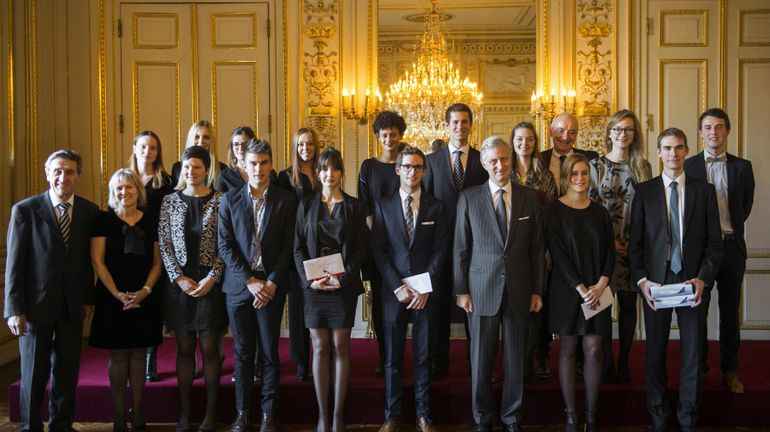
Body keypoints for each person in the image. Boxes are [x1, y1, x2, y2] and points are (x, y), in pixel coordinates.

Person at [628, 128, 723, 432]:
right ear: (658, 152)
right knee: (654, 354)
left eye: (679, 147)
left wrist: (703, 279)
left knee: (693, 356)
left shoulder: (704, 191)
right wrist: (642, 282)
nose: (673, 154)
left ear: (686, 151)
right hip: (656, 284)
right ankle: (658, 417)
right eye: (667, 148)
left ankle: (687, 419)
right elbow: (635, 245)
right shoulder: (644, 192)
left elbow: (715, 244)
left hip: (692, 282)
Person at [4, 149, 100, 432]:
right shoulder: (25, 211)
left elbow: (86, 262)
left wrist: (87, 299)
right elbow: (14, 264)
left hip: (72, 306)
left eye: (69, 171)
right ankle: (31, 426)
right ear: (47, 174)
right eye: (57, 171)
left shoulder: (89, 211)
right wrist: (14, 309)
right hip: (35, 306)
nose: (63, 177)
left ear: (78, 176)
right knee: (34, 373)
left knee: (67, 372)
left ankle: (61, 425)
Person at [453, 136, 544, 432]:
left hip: (520, 289)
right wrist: (461, 290)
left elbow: (537, 250)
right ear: (484, 164)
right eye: (493, 160)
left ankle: (512, 418)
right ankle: (482, 418)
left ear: (510, 159)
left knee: (516, 362)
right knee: (480, 361)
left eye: (504, 159)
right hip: (481, 290)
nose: (500, 165)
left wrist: (537, 290)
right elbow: (461, 248)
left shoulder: (529, 197)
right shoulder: (469, 197)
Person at [218, 140, 297, 432]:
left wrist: (272, 282)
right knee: (242, 353)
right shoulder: (229, 199)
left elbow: (289, 245)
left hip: (271, 286)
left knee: (269, 352)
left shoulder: (285, 200)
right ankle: (242, 414)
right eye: (253, 163)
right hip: (239, 287)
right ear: (244, 164)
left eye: (264, 163)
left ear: (271, 164)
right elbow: (225, 246)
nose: (258, 168)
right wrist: (249, 280)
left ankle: (268, 415)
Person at [371, 146, 449, 432]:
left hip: (424, 294)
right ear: (398, 169)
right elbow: (379, 250)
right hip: (395, 294)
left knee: (423, 357)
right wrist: (396, 287)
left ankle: (423, 416)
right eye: (407, 166)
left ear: (424, 171)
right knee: (392, 358)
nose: (412, 172)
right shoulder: (383, 205)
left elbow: (440, 250)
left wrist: (425, 288)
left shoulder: (437, 207)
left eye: (417, 167)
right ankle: (391, 416)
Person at [294, 147, 367, 432]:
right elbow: (298, 248)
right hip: (314, 287)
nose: (329, 174)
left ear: (341, 172)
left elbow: (360, 249)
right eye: (324, 168)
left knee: (339, 347)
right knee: (320, 347)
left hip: (342, 287)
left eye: (334, 168)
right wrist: (309, 280)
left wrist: (344, 279)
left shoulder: (355, 206)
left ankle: (337, 415)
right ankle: (323, 415)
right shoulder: (306, 205)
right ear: (318, 172)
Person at [684, 108, 755, 393]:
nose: (714, 132)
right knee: (697, 312)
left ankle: (730, 370)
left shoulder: (743, 167)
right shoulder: (688, 166)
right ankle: (699, 369)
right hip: (699, 252)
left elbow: (744, 207)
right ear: (701, 133)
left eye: (719, 127)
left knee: (729, 312)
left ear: (728, 131)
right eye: (708, 127)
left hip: (731, 247)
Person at [89, 169, 163, 432]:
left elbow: (158, 262)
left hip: (145, 295)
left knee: (140, 353)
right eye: (119, 188)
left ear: (138, 191)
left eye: (129, 187)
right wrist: (117, 294)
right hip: (113, 297)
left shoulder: (151, 220)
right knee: (119, 354)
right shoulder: (103, 220)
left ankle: (138, 411)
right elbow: (98, 262)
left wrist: (145, 290)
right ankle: (119, 413)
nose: (124, 192)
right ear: (113, 192)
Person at [546, 153, 615, 432]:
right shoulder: (554, 210)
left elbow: (610, 252)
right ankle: (572, 416)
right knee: (569, 348)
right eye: (574, 173)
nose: (580, 178)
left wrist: (601, 284)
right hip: (567, 290)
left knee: (594, 350)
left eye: (584, 173)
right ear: (566, 177)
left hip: (598, 291)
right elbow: (558, 254)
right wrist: (580, 287)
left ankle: (592, 415)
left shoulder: (600, 212)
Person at [159, 146, 226, 432]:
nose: (191, 172)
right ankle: (185, 414)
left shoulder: (221, 200)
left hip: (211, 283)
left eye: (197, 167)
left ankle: (211, 414)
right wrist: (178, 278)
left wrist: (213, 277)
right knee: (185, 347)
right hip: (180, 285)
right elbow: (164, 244)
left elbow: (227, 244)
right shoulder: (169, 201)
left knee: (210, 348)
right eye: (187, 167)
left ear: (206, 169)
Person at [422, 103, 489, 380]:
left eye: (465, 122)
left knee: (474, 308)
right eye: (455, 122)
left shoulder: (482, 160)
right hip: (440, 246)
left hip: (475, 247)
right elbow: (426, 203)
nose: (460, 127)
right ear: (447, 125)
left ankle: (477, 364)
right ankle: (438, 364)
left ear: (471, 125)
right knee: (437, 308)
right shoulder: (431, 161)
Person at [588, 110, 652, 384]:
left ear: (634, 134)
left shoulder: (643, 167)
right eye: (618, 129)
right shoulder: (596, 166)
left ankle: (624, 358)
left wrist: (633, 243)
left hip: (633, 247)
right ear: (610, 133)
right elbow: (588, 210)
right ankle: (607, 359)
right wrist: (610, 243)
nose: (623, 134)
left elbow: (650, 209)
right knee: (602, 308)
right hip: (603, 247)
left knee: (628, 305)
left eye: (628, 130)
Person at [358, 110, 406, 377]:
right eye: (384, 135)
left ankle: (399, 355)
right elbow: (364, 205)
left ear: (401, 135)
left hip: (403, 245)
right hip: (375, 244)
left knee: (402, 301)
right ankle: (384, 355)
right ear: (378, 136)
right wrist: (379, 237)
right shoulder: (368, 166)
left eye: (393, 134)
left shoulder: (408, 164)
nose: (389, 139)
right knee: (379, 301)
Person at [510, 122, 558, 380]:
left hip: (539, 245)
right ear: (512, 141)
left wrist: (548, 249)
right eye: (519, 139)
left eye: (529, 139)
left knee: (540, 302)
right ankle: (517, 359)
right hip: (513, 247)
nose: (524, 143)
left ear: (535, 143)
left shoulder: (545, 175)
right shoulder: (505, 171)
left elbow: (551, 215)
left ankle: (542, 354)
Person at [127, 130, 174, 383]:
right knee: (130, 302)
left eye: (153, 148)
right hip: (128, 249)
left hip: (156, 247)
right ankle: (130, 353)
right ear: (135, 148)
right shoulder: (124, 178)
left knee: (153, 304)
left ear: (158, 152)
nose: (148, 152)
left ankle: (150, 358)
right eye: (143, 147)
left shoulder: (165, 182)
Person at [277, 127, 321, 381]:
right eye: (301, 144)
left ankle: (322, 357)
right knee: (298, 309)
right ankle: (301, 360)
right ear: (295, 147)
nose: (306, 148)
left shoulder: (323, 172)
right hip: (296, 249)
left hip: (321, 248)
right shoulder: (286, 177)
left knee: (319, 306)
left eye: (310, 144)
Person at [540, 113, 599, 193]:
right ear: (551, 132)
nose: (565, 137)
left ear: (576, 134)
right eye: (560, 131)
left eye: (572, 132)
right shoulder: (539, 159)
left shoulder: (590, 158)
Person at [171, 120, 228, 188]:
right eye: (197, 137)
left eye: (206, 137)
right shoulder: (177, 168)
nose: (201, 141)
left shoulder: (223, 170)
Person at [216, 126, 256, 193]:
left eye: (245, 144)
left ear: (253, 145)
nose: (240, 148)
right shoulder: (224, 177)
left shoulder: (267, 173)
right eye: (236, 144)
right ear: (232, 148)